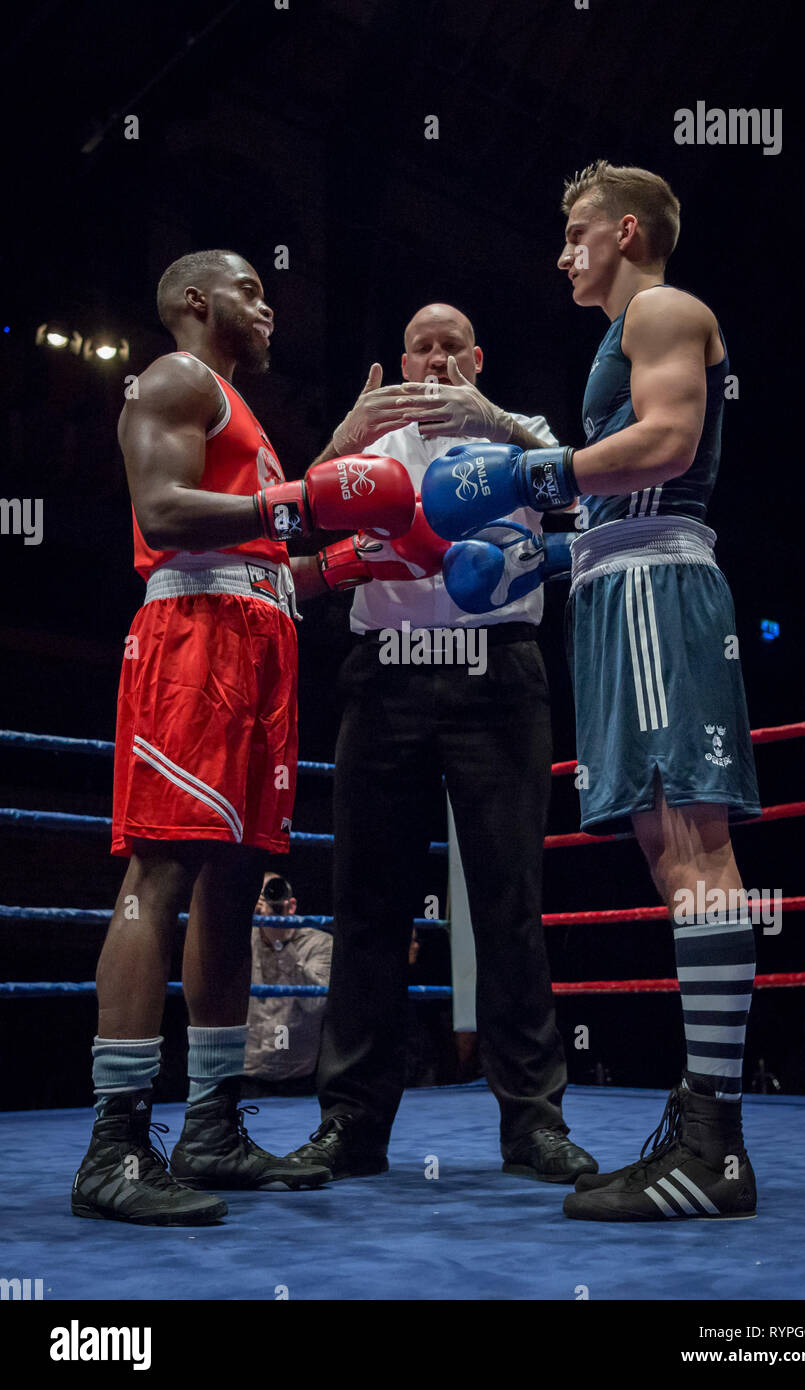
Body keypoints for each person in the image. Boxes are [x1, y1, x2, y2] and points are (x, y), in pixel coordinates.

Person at [421, 163, 763, 1221]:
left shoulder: (660, 308)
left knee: (693, 842)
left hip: (661, 595)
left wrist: (533, 475)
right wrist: (544, 560)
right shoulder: (621, 334)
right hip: (623, 590)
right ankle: (706, 1128)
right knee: (668, 845)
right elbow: (637, 485)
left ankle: (711, 1142)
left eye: (574, 235)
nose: (563, 254)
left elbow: (665, 445)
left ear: (623, 231)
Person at [71, 249, 415, 1226]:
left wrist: (350, 555)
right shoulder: (176, 378)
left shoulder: (247, 419)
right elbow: (162, 511)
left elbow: (267, 564)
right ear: (194, 300)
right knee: (161, 875)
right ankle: (116, 1141)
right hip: (191, 652)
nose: (269, 305)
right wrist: (305, 498)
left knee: (230, 884)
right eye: (249, 290)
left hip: (260, 651)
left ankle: (210, 1127)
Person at [285, 302, 598, 1184]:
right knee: (367, 903)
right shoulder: (370, 441)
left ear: (477, 355)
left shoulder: (521, 429)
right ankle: (351, 1123)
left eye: (450, 347)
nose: (432, 360)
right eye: (420, 346)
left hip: (497, 677)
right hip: (384, 676)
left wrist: (492, 422)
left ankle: (534, 1124)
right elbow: (294, 523)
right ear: (401, 355)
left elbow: (575, 491)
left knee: (509, 900)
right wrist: (340, 435)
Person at [243, 872, 332, 1095]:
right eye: (259, 896)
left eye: (272, 895)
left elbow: (315, 1005)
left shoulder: (319, 943)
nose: (266, 901)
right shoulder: (240, 941)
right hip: (245, 1077)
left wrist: (280, 943)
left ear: (290, 905)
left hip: (299, 1081)